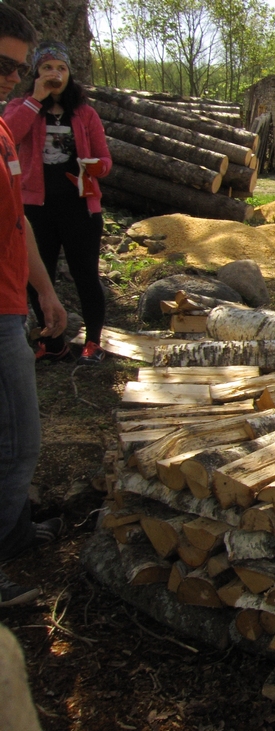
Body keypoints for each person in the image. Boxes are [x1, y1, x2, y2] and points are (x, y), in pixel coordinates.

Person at [0, 5, 66, 606]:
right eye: (2, 65)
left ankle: (14, 530)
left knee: (16, 437)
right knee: (18, 442)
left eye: (15, 72)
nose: (9, 78)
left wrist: (43, 290)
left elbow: (17, 221)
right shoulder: (11, 121)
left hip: (8, 306)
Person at [3, 38, 111, 364]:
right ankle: (53, 343)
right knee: (39, 279)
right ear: (35, 73)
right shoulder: (20, 106)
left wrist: (93, 168)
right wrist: (35, 100)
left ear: (69, 74)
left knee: (86, 275)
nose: (55, 73)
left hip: (80, 208)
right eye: (47, 67)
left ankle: (93, 342)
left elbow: (105, 162)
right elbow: (7, 136)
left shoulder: (85, 113)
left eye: (61, 68)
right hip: (36, 208)